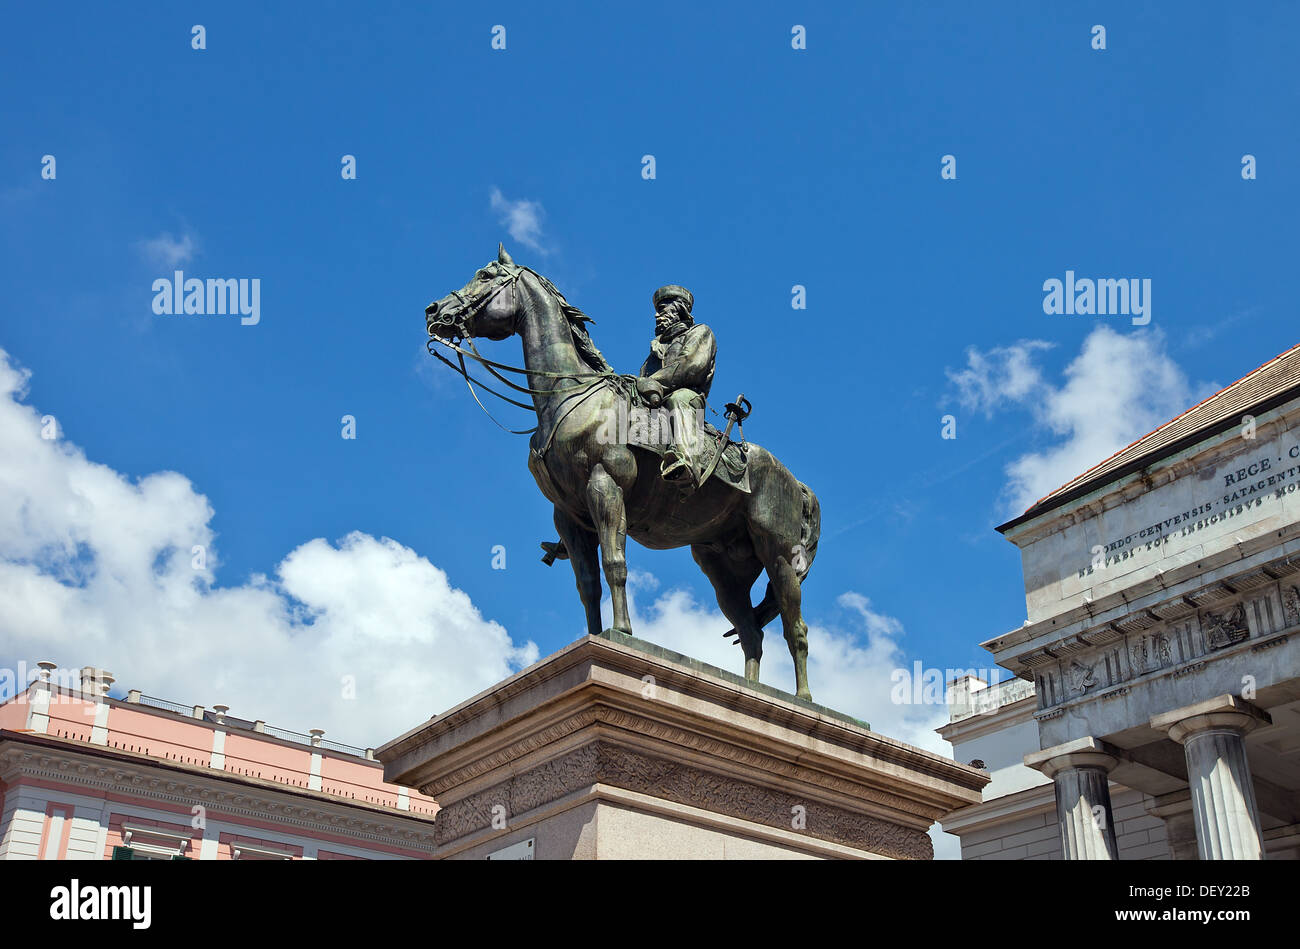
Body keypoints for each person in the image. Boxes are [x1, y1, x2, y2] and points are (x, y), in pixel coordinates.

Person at [636, 285, 716, 491]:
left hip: (688, 399)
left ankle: (686, 466)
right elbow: (641, 380)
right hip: (655, 402)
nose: (656, 315)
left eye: (662, 309)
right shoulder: (653, 352)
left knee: (679, 398)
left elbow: (691, 365)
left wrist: (651, 382)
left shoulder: (700, 332)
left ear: (679, 310)